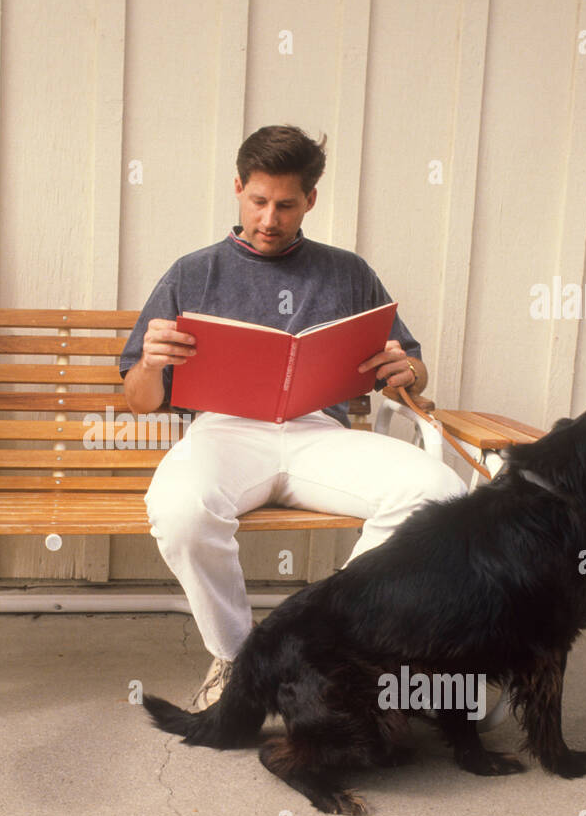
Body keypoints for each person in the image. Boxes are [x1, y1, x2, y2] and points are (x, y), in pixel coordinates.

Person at [120, 125, 466, 710]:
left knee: (439, 491)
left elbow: (411, 366)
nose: (269, 219)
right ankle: (238, 658)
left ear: (310, 199)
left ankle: (326, 647)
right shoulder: (193, 273)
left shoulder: (346, 271)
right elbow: (138, 399)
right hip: (225, 431)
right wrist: (151, 364)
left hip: (318, 432)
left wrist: (409, 371)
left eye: (285, 204)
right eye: (258, 201)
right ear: (237, 189)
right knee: (178, 510)